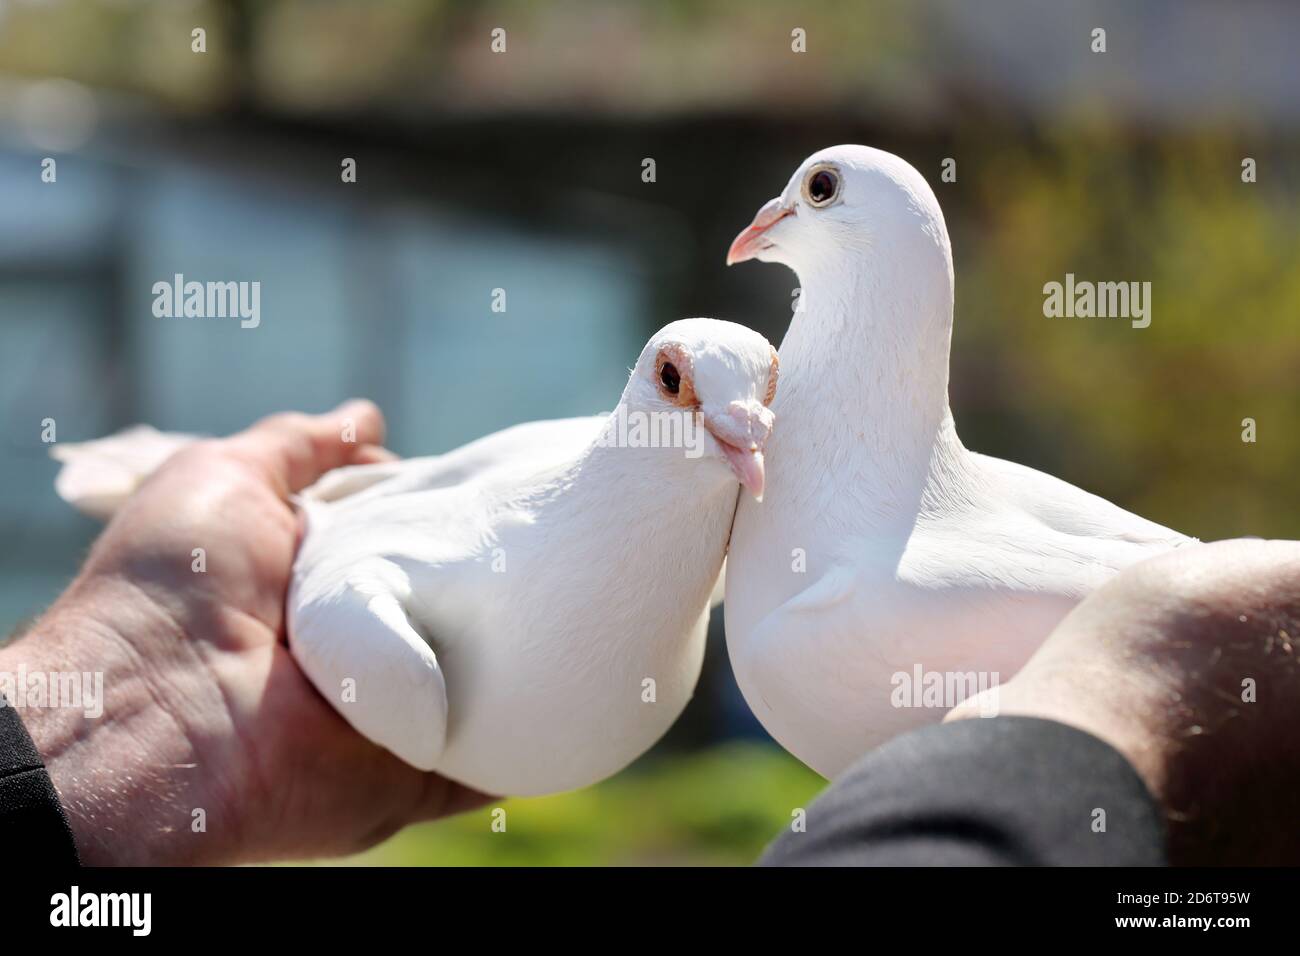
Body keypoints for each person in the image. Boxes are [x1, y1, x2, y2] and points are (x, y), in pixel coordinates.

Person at [2, 403, 1296, 865]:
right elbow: (378, 555)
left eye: (760, 408)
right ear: (650, 390)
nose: (739, 432)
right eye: (684, 390)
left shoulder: (739, 562)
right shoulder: (394, 631)